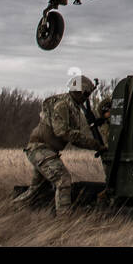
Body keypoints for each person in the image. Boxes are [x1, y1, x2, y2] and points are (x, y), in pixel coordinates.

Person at [12, 74, 107, 215]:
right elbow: (62, 132)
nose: (87, 97)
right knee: (63, 179)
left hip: (45, 151)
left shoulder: (72, 106)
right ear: (80, 92)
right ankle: (64, 218)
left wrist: (94, 145)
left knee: (37, 189)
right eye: (87, 94)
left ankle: (11, 208)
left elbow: (73, 136)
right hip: (41, 149)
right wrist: (94, 144)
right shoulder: (63, 105)